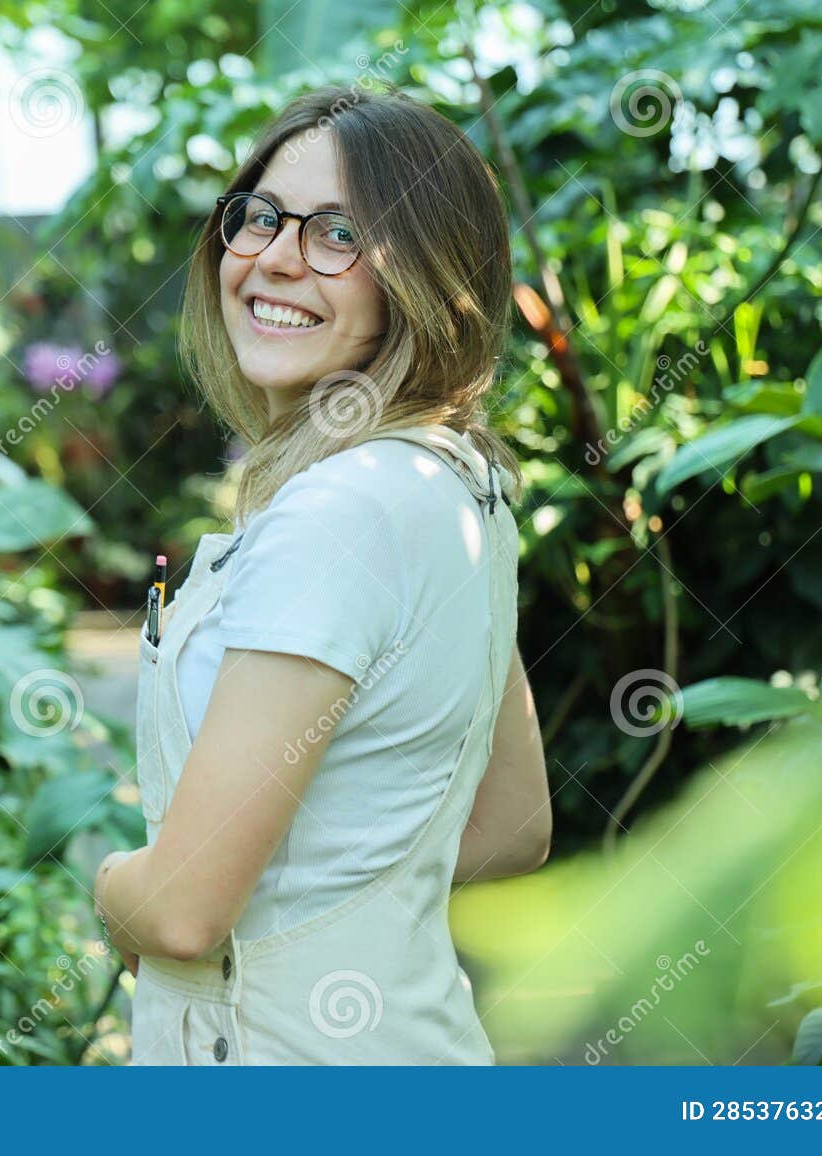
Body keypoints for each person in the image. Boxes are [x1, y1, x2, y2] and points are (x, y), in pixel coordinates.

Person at [92, 83, 552, 1065]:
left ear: (425, 279)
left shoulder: (340, 512)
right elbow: (514, 824)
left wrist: (111, 888)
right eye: (260, 216)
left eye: (339, 233)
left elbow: (180, 912)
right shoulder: (456, 482)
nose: (274, 256)